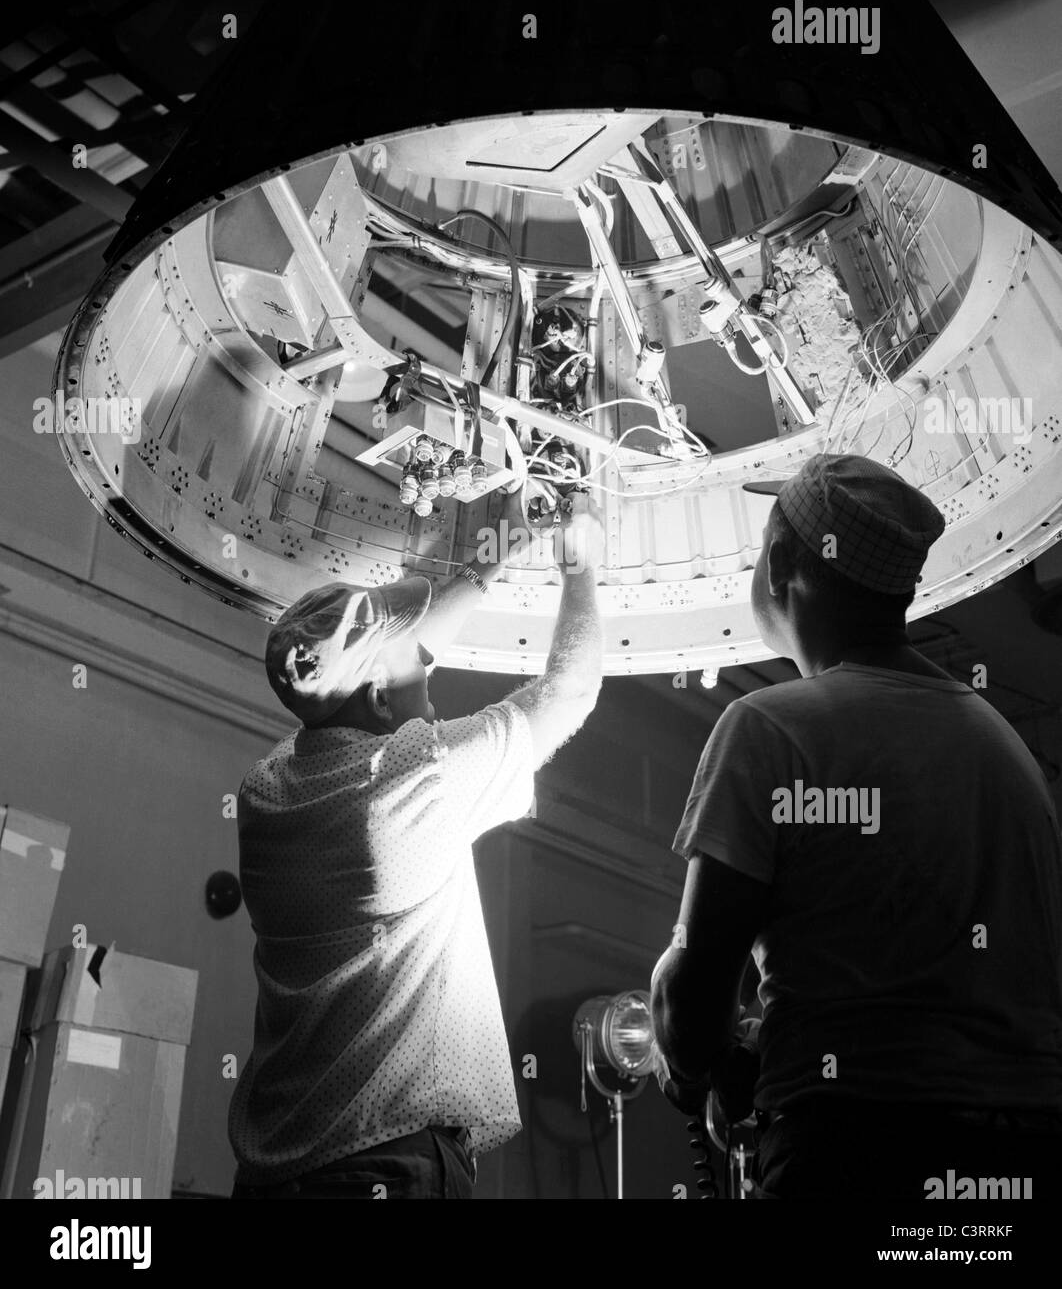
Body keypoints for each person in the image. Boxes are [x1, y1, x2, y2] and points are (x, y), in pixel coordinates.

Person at [650, 452, 1062, 1198]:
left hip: (850, 1154)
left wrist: (690, 1051)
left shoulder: (768, 729)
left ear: (779, 564)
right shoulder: (1009, 751)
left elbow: (696, 1004)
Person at [229, 490, 604, 1198]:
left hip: (273, 1172)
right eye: (418, 666)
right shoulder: (411, 781)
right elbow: (572, 690)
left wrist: (492, 564)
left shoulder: (267, 790)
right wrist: (582, 564)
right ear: (374, 696)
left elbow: (383, 668)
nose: (430, 671)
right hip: (384, 1167)